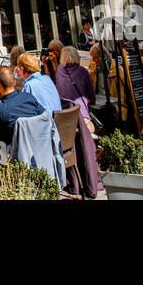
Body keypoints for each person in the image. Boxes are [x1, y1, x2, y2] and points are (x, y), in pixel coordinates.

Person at [53, 47, 102, 197]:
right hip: (81, 116)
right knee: (89, 135)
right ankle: (93, 176)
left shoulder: (59, 71)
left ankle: (73, 182)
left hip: (64, 119)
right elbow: (92, 96)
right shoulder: (83, 72)